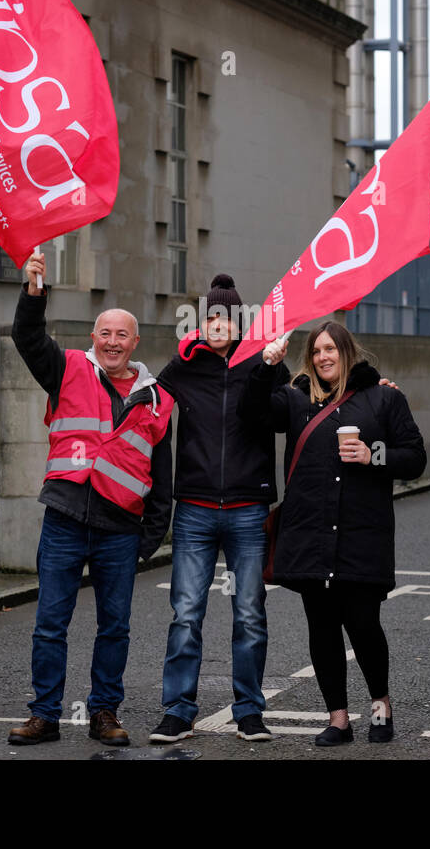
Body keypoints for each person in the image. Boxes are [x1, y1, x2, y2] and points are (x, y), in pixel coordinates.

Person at [7, 251, 173, 747]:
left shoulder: (158, 399)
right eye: (105, 333)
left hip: (120, 528)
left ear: (135, 343)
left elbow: (163, 479)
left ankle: (104, 713)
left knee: (114, 628)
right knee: (49, 623)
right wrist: (34, 289)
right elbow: (28, 339)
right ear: (92, 338)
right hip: (64, 517)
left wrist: (149, 540)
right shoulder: (68, 369)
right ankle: (44, 714)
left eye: (122, 335)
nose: (113, 342)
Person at [240, 320, 425, 746]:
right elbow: (252, 415)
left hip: (362, 535)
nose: (324, 356)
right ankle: (338, 719)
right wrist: (265, 367)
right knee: (321, 628)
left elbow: (415, 457)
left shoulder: (384, 398)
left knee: (363, 625)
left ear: (347, 352)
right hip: (309, 534)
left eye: (332, 349)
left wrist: (371, 454)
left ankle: (381, 705)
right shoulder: (296, 398)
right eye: (317, 350)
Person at [148, 275, 288, 745]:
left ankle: (249, 711)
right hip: (195, 507)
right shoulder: (184, 366)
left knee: (249, 612)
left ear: (239, 323)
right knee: (186, 612)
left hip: (249, 507)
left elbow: (288, 413)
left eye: (225, 317)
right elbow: (147, 408)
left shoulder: (261, 363)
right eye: (209, 316)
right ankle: (178, 710)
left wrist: (270, 368)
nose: (216, 324)